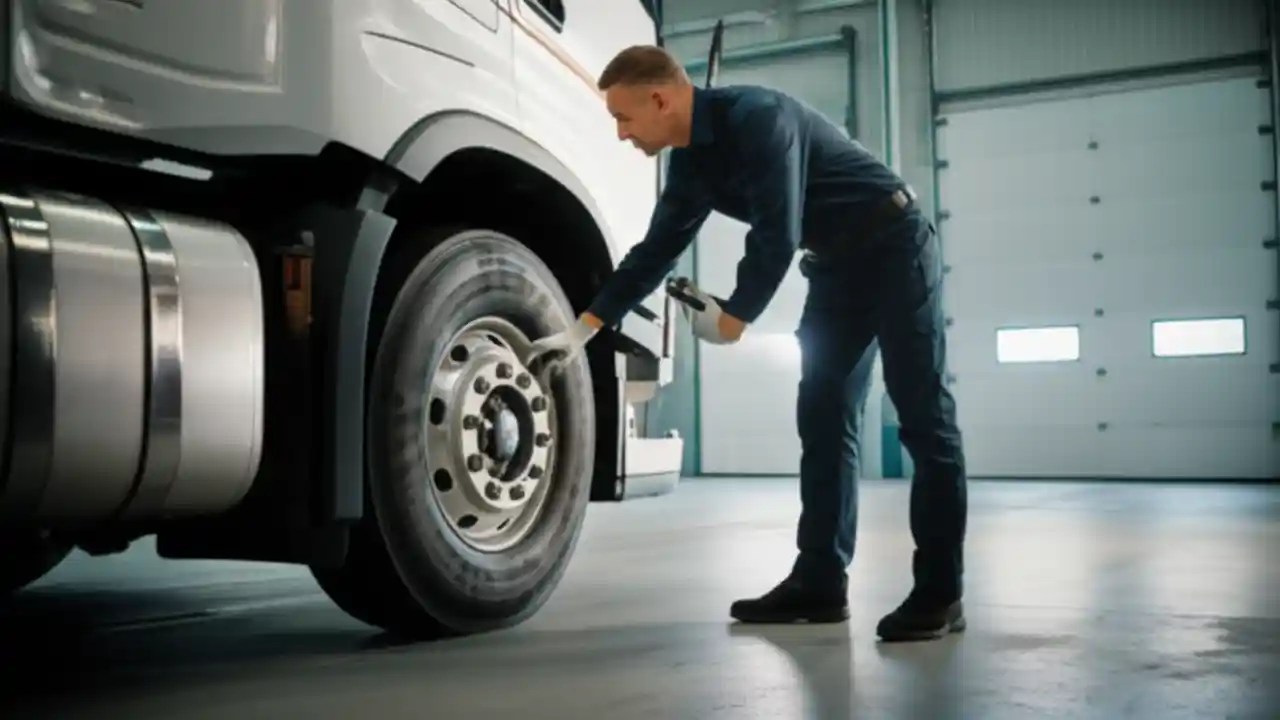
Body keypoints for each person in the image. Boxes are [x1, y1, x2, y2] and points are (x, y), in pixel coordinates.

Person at [525, 45, 968, 642]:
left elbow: (776, 231)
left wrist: (734, 317)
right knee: (823, 417)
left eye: (624, 118)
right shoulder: (689, 164)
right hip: (836, 266)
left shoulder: (761, 117)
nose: (622, 134)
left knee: (923, 417)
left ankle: (941, 594)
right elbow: (656, 252)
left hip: (896, 243)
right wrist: (580, 331)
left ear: (661, 99)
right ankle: (819, 583)